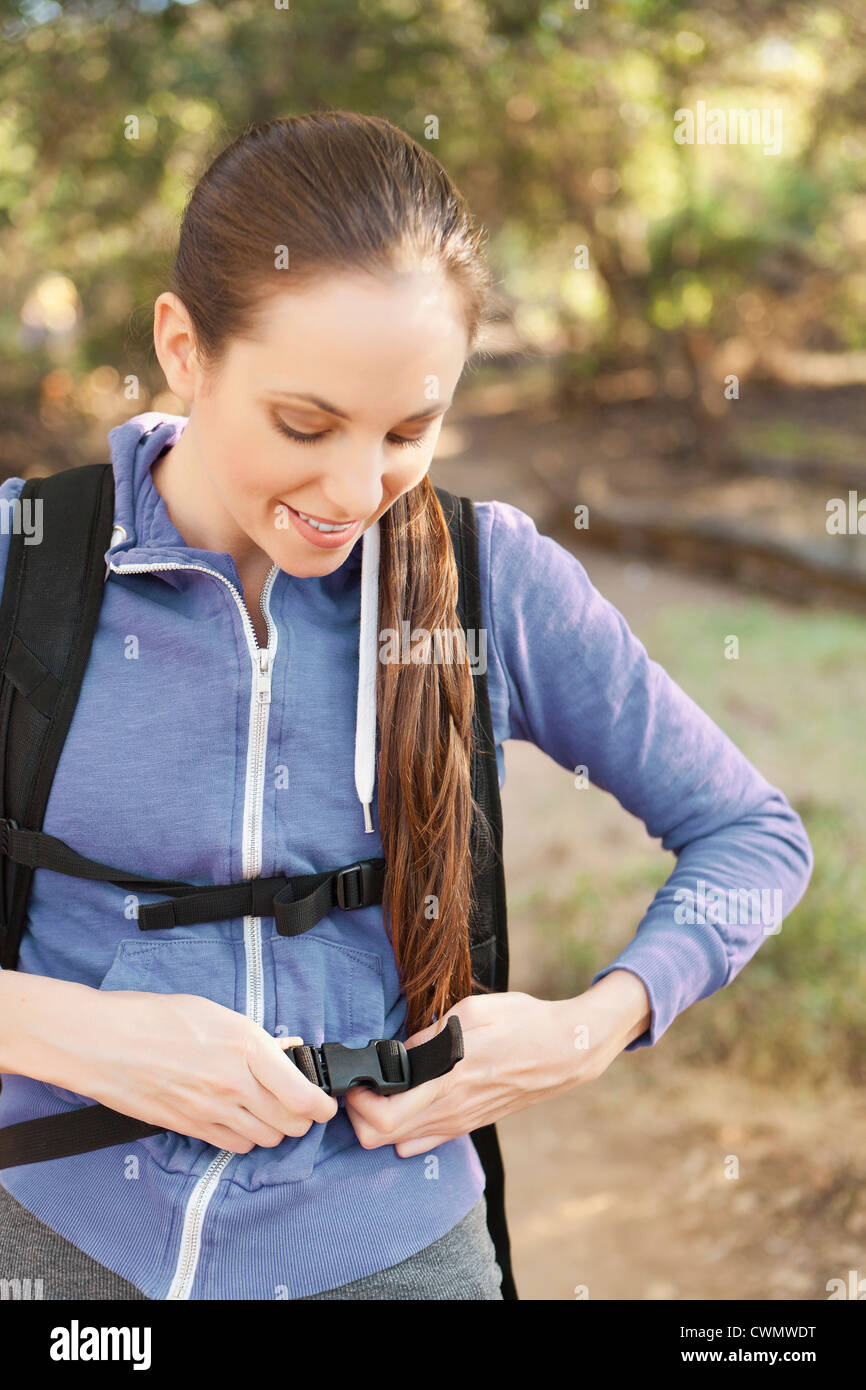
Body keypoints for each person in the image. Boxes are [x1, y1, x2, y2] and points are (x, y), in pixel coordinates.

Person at [0, 111, 813, 1301]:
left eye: (407, 431)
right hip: (54, 1244)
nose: (350, 489)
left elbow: (754, 836)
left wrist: (590, 1028)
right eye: (303, 423)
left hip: (392, 1256)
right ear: (182, 346)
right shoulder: (25, 563)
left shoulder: (497, 582)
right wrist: (70, 1033)